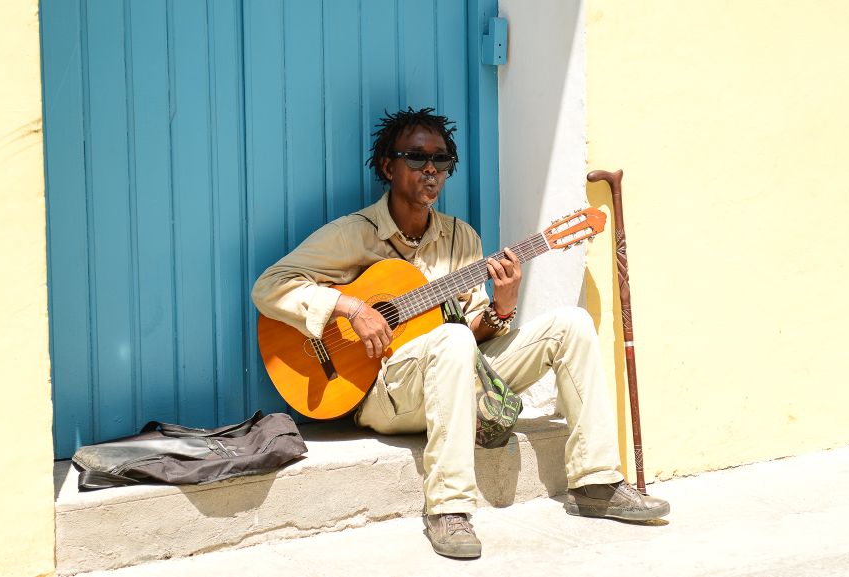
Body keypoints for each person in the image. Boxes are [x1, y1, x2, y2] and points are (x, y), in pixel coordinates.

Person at [252, 108, 668, 559]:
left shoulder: (460, 238)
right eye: (415, 158)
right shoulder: (354, 235)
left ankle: (596, 482)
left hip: (453, 378)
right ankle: (448, 509)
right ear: (388, 167)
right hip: (378, 392)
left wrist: (502, 308)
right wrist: (351, 307)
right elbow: (269, 287)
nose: (430, 169)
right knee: (452, 339)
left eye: (441, 160)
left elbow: (475, 329)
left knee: (570, 324)